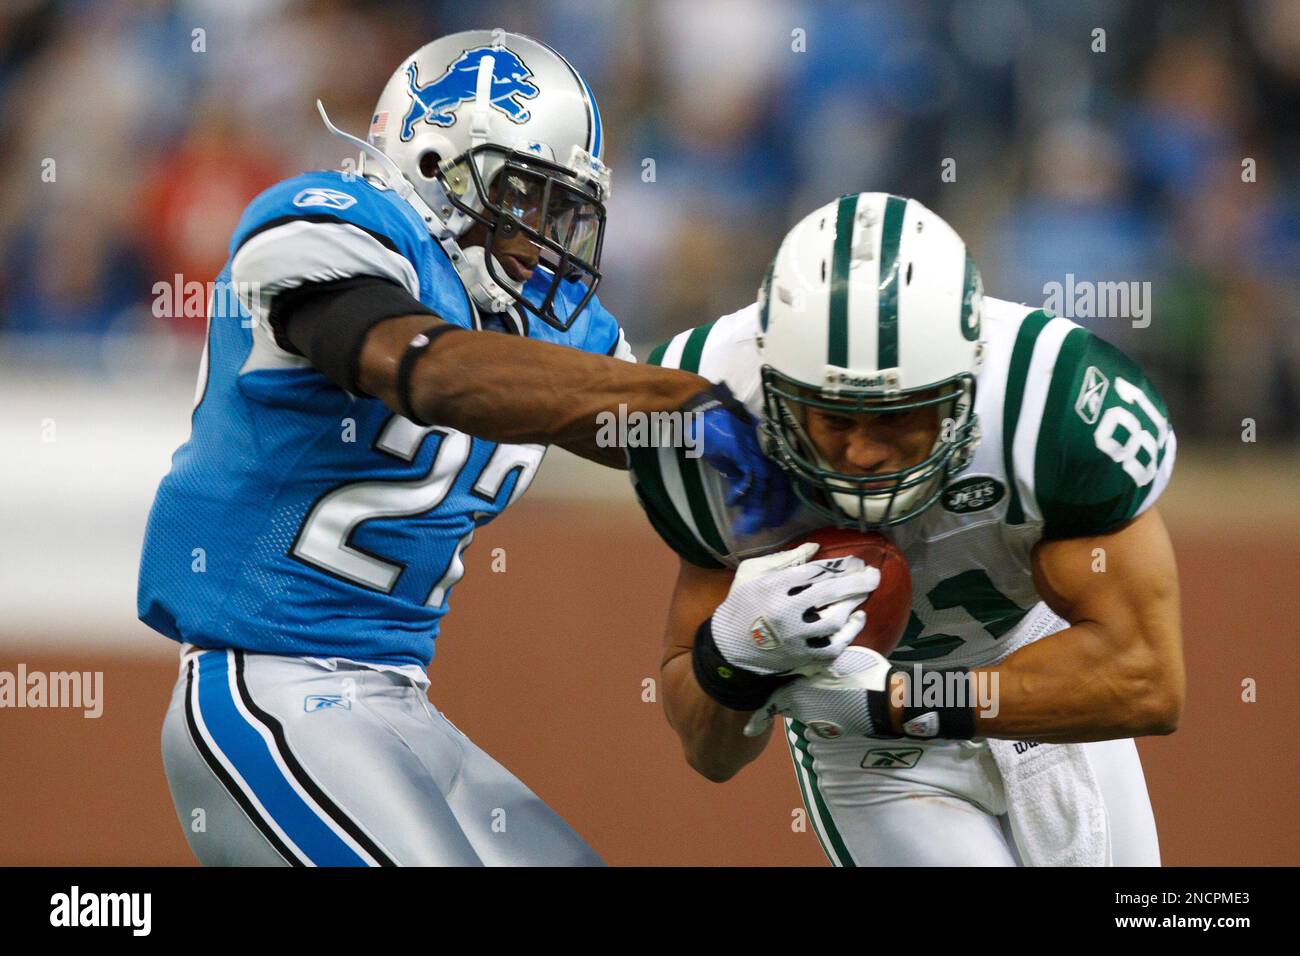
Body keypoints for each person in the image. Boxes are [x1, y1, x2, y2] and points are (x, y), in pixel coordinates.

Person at [137, 29, 790, 867]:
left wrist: (778, 445)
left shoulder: (538, 315)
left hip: (401, 703)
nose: (542, 234)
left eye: (562, 209)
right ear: (438, 161)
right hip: (268, 684)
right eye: (525, 198)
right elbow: (425, 369)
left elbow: (636, 428)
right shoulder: (326, 222)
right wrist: (682, 405)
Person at [629, 192, 1182, 866]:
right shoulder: (707, 414)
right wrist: (734, 655)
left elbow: (1146, 680)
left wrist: (903, 698)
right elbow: (709, 752)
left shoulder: (1050, 406)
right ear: (772, 389)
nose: (863, 453)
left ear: (964, 388)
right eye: (832, 417)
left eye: (896, 416)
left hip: (1035, 683)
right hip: (868, 746)